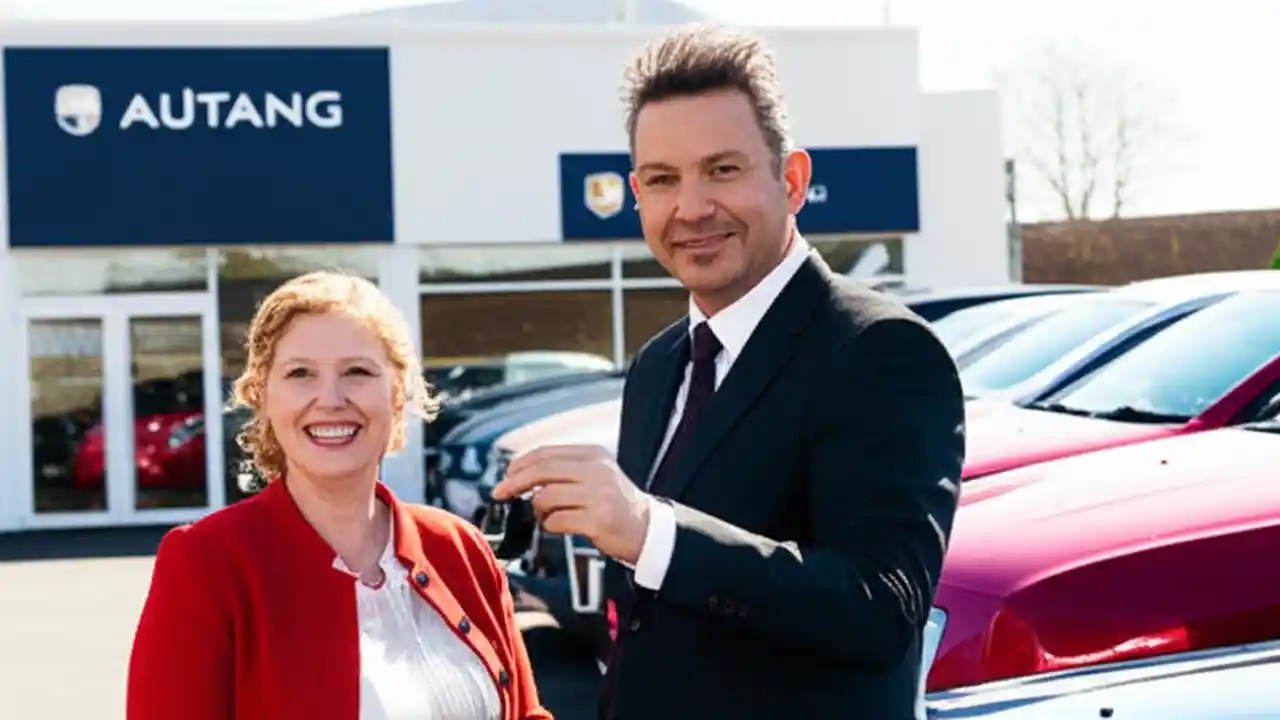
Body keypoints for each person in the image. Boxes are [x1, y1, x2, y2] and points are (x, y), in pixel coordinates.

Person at [492, 24, 965, 719]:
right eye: (662, 180)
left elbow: (880, 610)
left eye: (722, 169)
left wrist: (651, 530)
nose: (691, 208)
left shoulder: (881, 350)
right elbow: (664, 614)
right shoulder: (659, 365)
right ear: (637, 195)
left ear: (792, 179)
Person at [127, 272, 551, 720]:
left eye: (357, 372)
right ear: (263, 396)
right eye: (300, 373)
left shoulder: (460, 548)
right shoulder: (208, 564)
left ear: (396, 391)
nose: (330, 398)